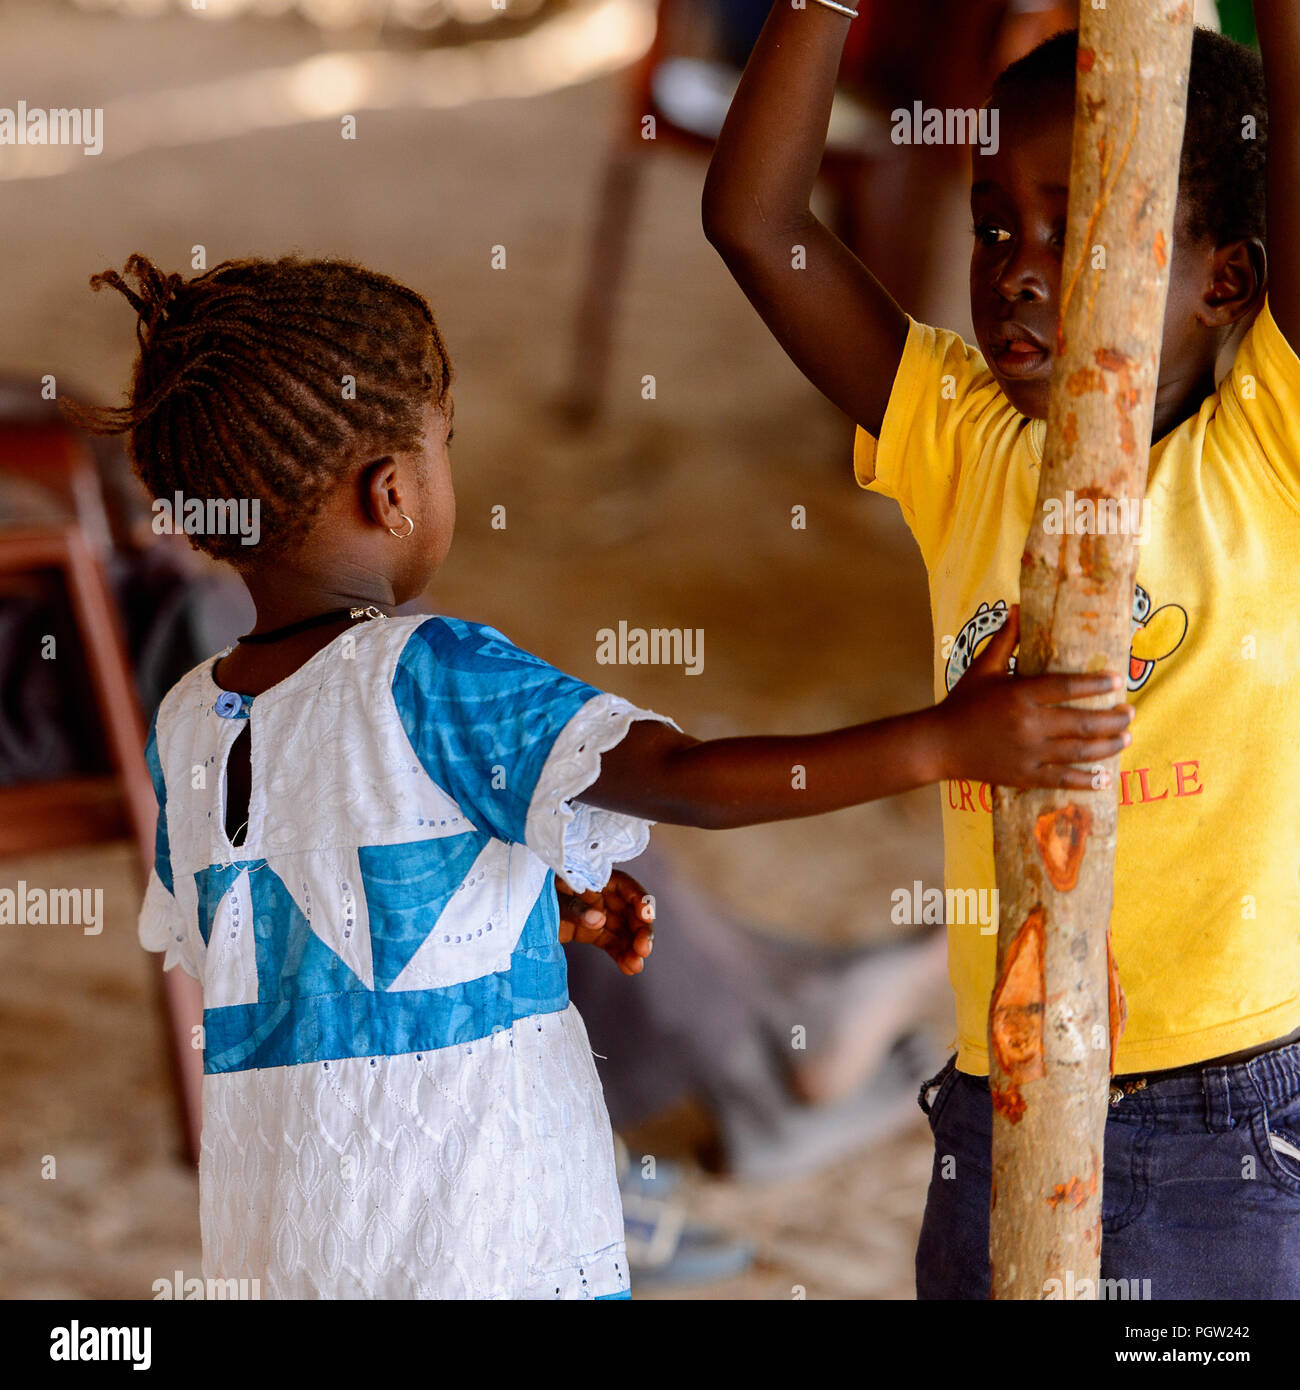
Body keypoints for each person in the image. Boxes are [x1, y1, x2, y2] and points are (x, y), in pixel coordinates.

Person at [65, 253, 1129, 1299]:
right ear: (391, 492)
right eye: (442, 447)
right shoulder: (433, 672)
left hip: (282, 1243)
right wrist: (942, 740)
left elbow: (277, 943)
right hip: (474, 1235)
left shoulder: (192, 718)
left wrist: (521, 911)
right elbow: (687, 780)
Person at [703, 2, 1300, 1298]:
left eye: (1077, 226)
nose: (1018, 268)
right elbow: (753, 221)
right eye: (992, 226)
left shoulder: (1266, 445)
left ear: (1229, 280)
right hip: (1001, 1083)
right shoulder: (965, 442)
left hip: (1228, 1112)